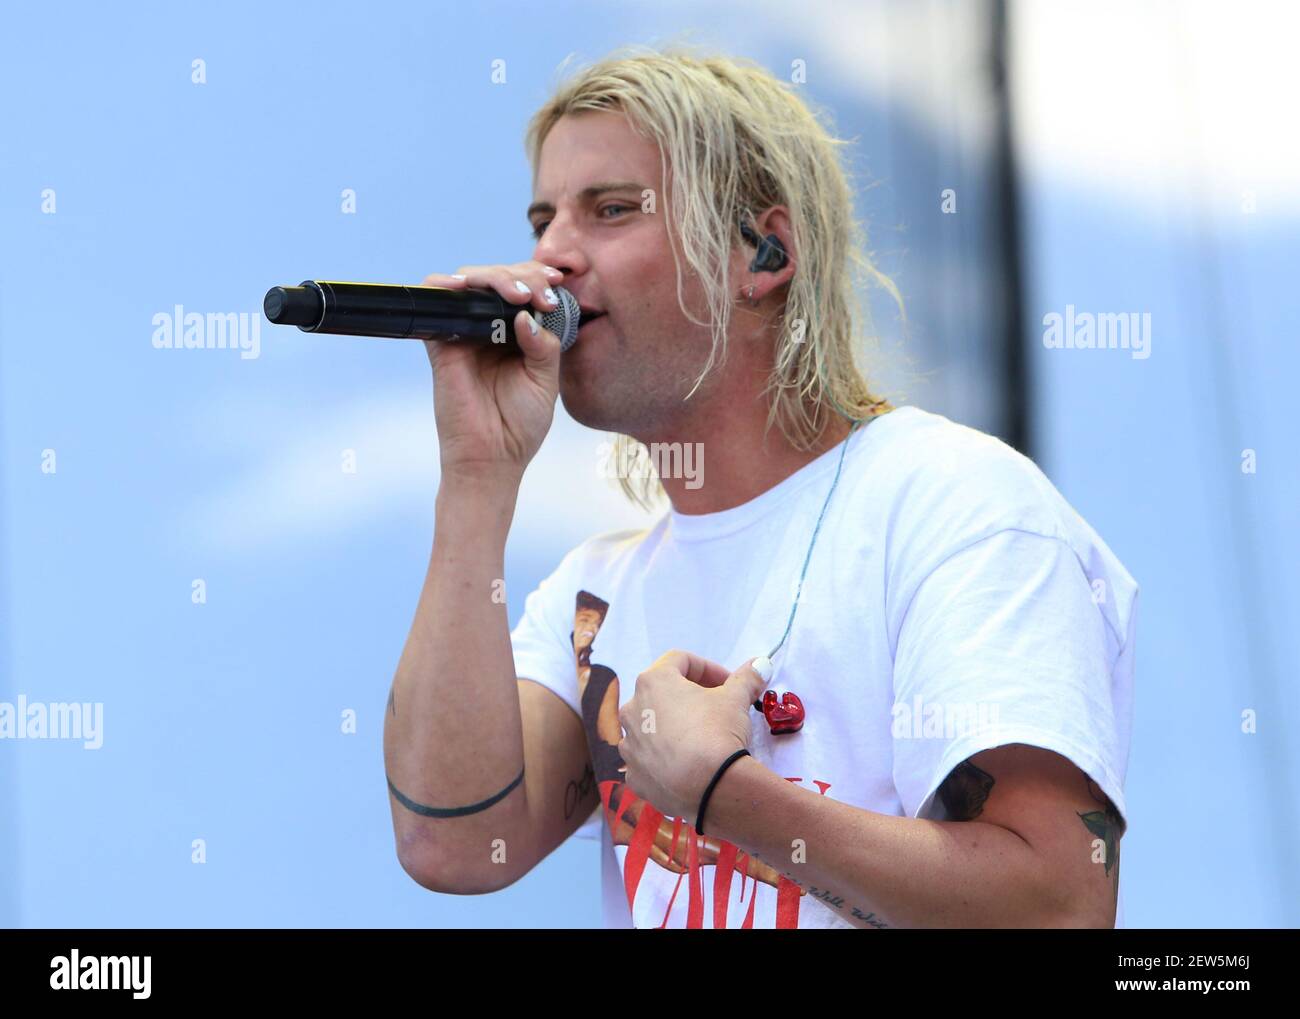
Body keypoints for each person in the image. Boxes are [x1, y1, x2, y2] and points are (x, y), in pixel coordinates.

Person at [384, 46, 1137, 929]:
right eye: (542, 221)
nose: (551, 258)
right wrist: (477, 478)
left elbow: (1058, 905)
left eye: (612, 210)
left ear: (763, 251)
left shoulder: (952, 505)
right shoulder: (599, 591)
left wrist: (726, 796)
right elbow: (454, 842)